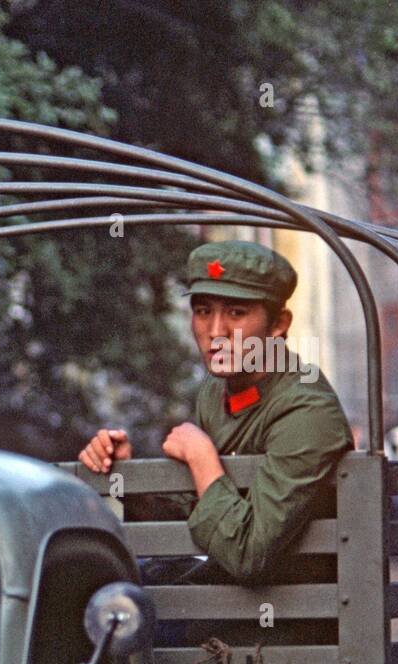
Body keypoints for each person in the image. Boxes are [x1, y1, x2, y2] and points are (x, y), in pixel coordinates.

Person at [78, 239, 353, 587]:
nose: (215, 332)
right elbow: (197, 511)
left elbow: (249, 554)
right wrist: (128, 476)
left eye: (236, 313)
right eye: (203, 311)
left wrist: (201, 457)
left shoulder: (307, 411)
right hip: (225, 607)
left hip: (285, 623)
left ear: (279, 324)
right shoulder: (215, 392)